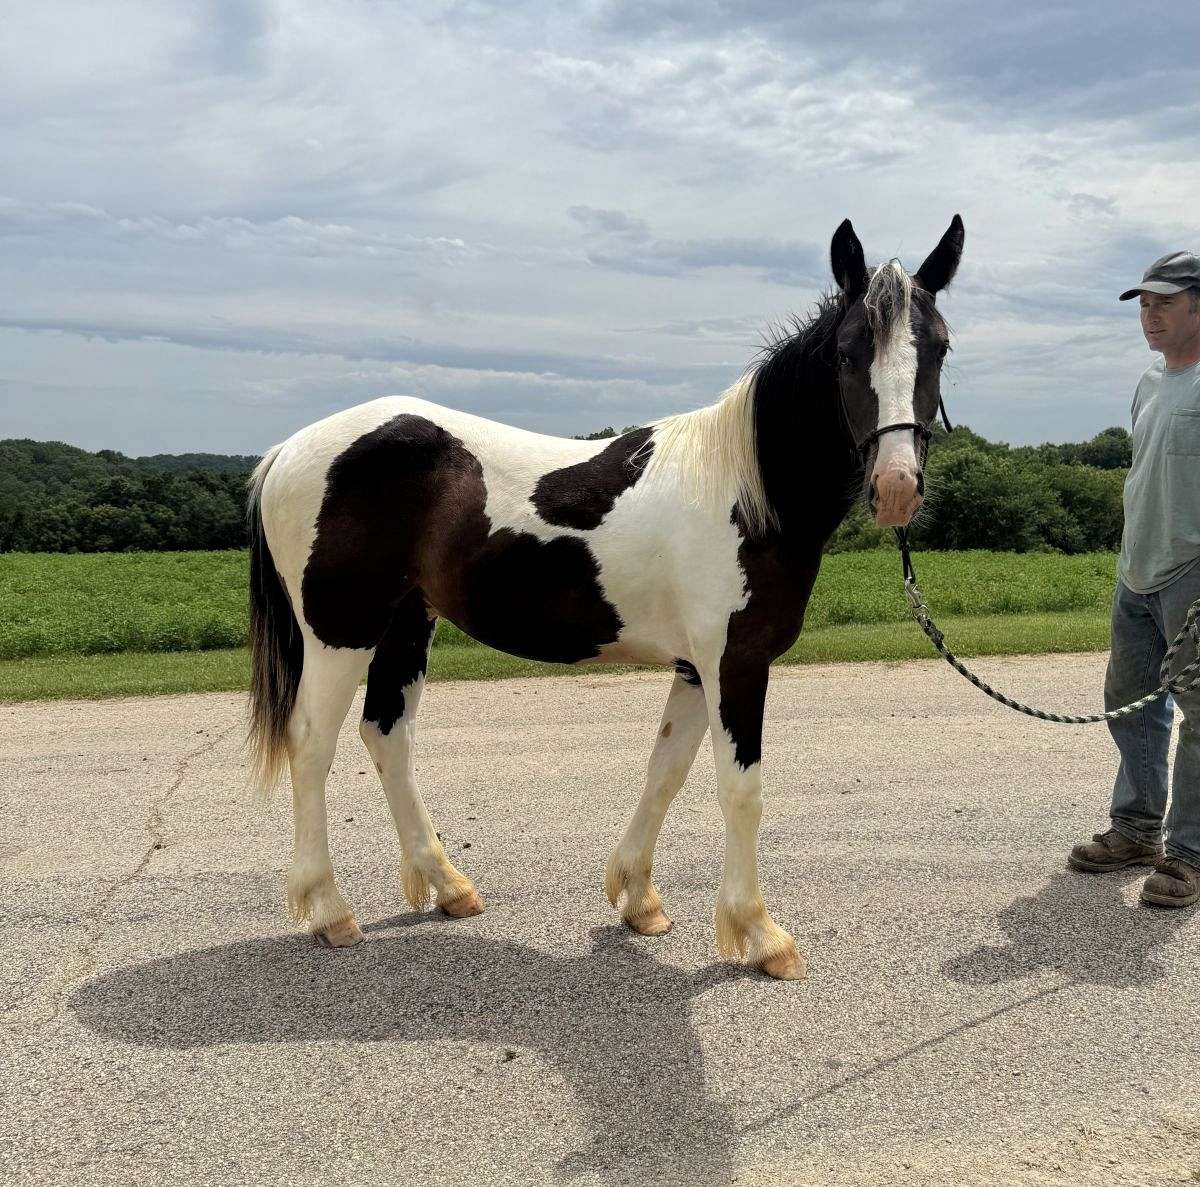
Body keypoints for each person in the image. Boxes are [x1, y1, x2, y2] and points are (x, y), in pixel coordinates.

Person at [1068, 251, 1200, 907]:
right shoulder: (1151, 382)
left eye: (1164, 303)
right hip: (1137, 573)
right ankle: (1137, 829)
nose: (1149, 315)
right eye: (1144, 304)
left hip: (1192, 576)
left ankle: (1190, 857)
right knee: (1132, 701)